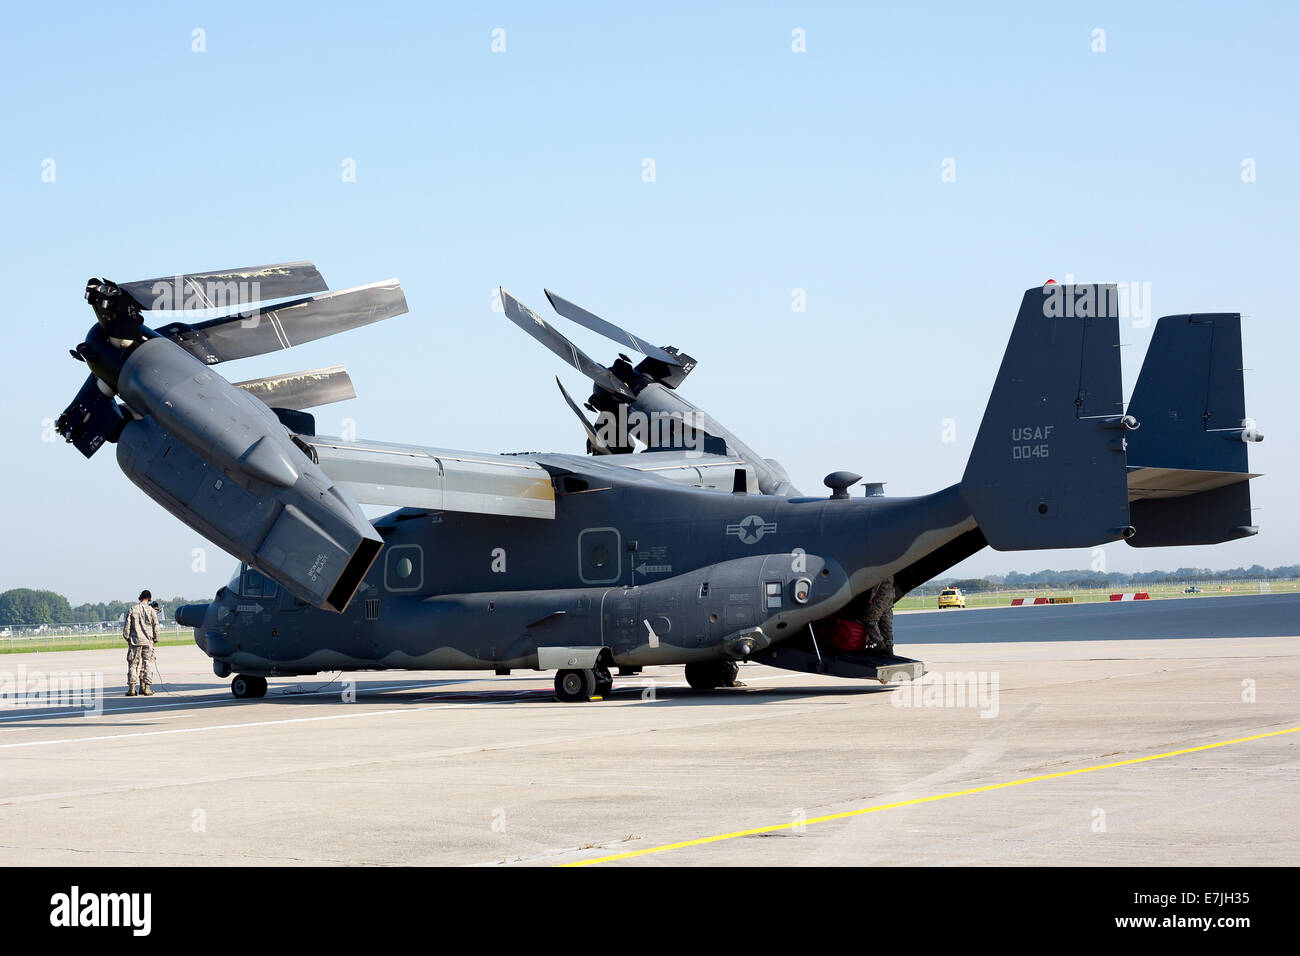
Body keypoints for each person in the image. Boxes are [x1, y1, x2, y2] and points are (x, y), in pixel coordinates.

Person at [123, 589, 160, 697]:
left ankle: (132, 688)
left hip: (135, 641)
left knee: (133, 664)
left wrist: (127, 637)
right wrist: (156, 638)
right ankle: (146, 688)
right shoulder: (152, 610)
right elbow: (156, 626)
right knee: (147, 663)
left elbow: (127, 625)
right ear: (149, 598)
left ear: (140, 597)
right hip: (148, 641)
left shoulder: (133, 609)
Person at [864, 575, 896, 654]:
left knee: (870, 620)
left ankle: (879, 644)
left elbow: (876, 583)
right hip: (889, 593)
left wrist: (870, 597)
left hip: (881, 595)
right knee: (885, 621)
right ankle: (889, 647)